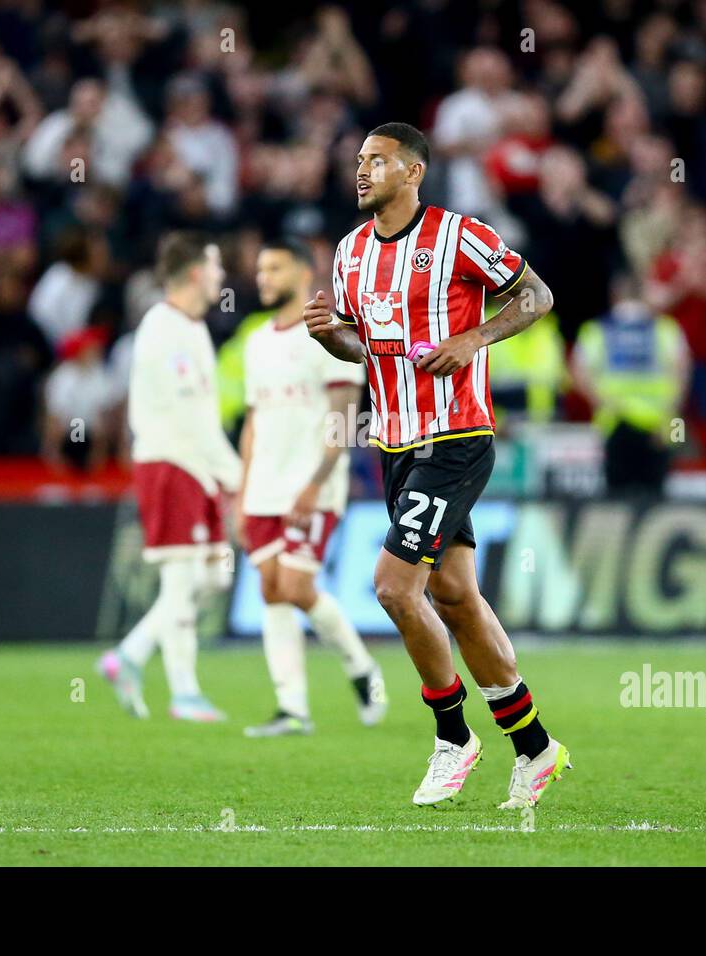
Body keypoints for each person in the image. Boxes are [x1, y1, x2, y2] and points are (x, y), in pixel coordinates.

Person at [305, 122, 570, 809]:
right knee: (453, 597)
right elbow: (368, 351)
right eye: (358, 160)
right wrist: (331, 334)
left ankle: (453, 738)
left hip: (454, 438)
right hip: (393, 446)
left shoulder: (459, 236)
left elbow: (537, 296)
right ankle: (536, 748)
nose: (361, 172)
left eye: (377, 161)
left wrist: (475, 337)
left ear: (413, 171)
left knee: (394, 589)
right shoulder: (349, 252)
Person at [236, 238, 385, 737]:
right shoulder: (255, 341)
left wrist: (315, 483)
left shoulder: (328, 335)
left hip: (311, 484)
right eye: (261, 268)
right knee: (272, 589)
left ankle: (362, 668)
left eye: (274, 267)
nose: (264, 277)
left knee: (297, 586)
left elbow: (345, 418)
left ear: (305, 273)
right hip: (262, 487)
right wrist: (241, 491)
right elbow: (254, 421)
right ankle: (292, 709)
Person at [97, 234, 240, 721]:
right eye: (216, 267)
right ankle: (184, 692)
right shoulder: (163, 326)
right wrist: (235, 472)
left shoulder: (193, 329)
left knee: (215, 576)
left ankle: (130, 654)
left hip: (197, 467)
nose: (222, 278)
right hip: (171, 463)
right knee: (182, 580)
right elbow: (188, 416)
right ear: (197, 272)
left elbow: (201, 414)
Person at [571, 276, 690, 496]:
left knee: (616, 498)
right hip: (657, 426)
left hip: (615, 424)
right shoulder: (666, 329)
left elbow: (579, 372)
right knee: (654, 497)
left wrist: (603, 403)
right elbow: (682, 374)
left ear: (614, 296)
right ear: (644, 296)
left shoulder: (597, 330)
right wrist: (671, 416)